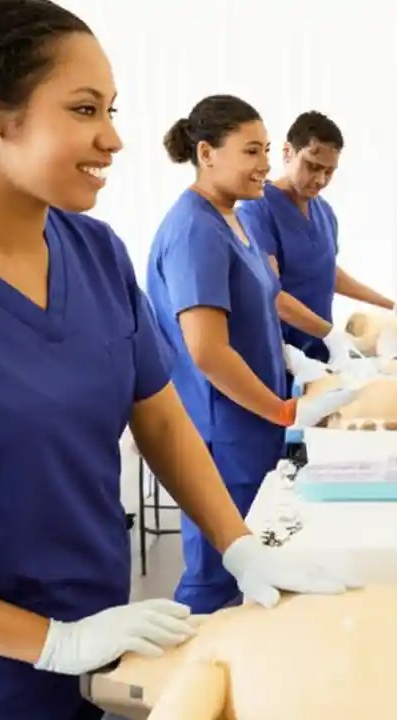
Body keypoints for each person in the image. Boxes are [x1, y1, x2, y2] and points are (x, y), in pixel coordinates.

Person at [0, 3, 353, 718]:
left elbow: (164, 421)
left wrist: (240, 546)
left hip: (98, 636)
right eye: (85, 109)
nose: (113, 138)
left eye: (112, 109)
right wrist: (50, 641)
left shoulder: (95, 253)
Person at [147, 95, 357, 615]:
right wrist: (283, 410)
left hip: (250, 426)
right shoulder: (196, 229)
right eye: (251, 151)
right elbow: (207, 351)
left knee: (248, 567)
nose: (265, 163)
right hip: (221, 431)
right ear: (206, 153)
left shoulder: (231, 219)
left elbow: (255, 311)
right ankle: (187, 687)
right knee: (216, 574)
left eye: (265, 150)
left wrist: (294, 362)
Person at [238, 110, 397, 368]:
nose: (320, 180)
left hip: (318, 356)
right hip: (280, 357)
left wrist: (394, 307)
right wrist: (330, 333)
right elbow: (271, 295)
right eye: (312, 166)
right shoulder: (257, 210)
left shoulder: (324, 212)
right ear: (288, 152)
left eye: (329, 171)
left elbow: (323, 271)